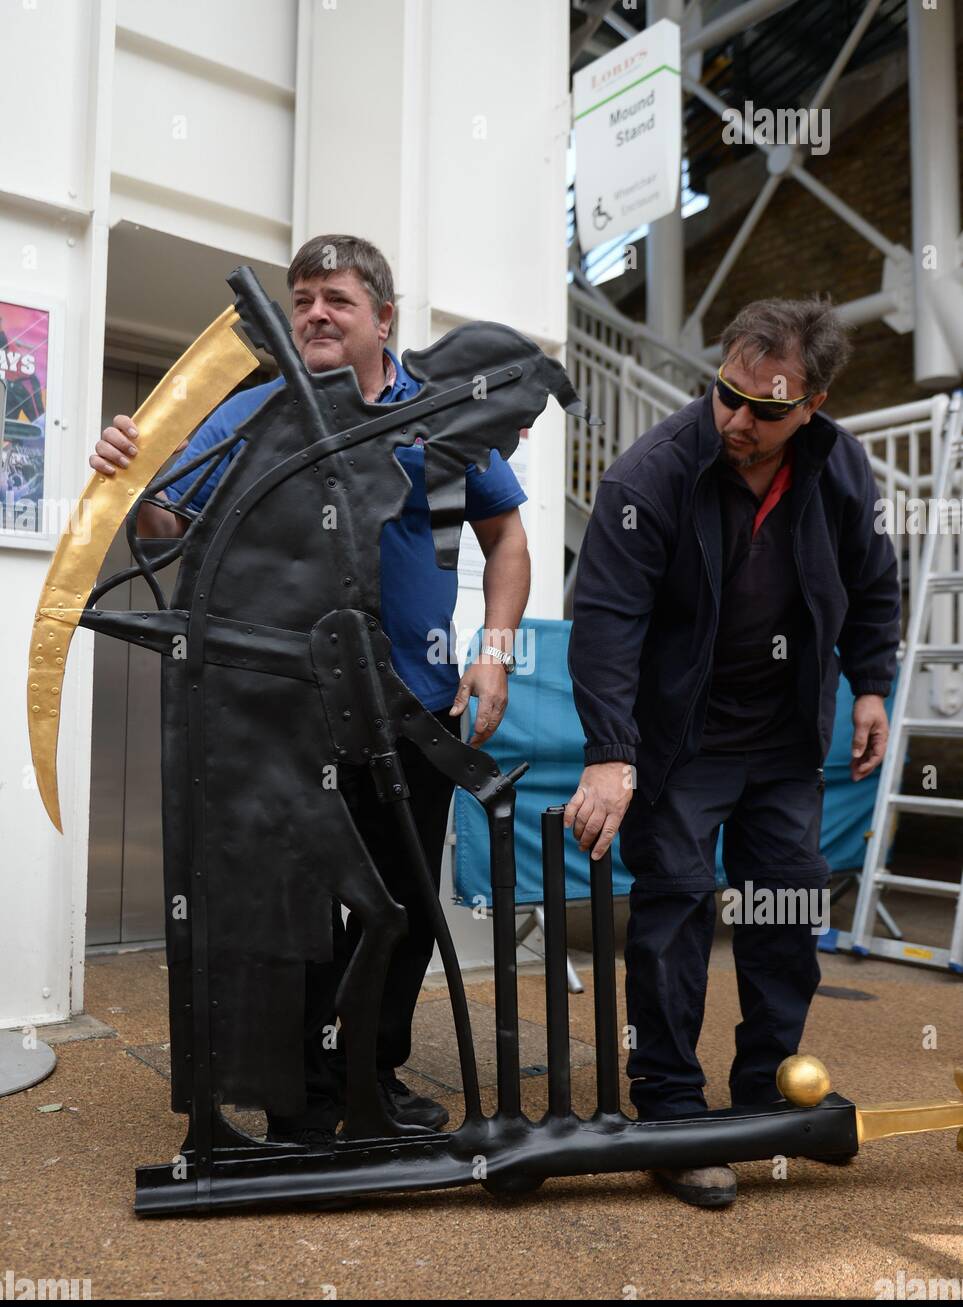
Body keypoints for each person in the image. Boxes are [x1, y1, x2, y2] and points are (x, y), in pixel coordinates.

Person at [89, 234, 530, 1145]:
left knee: (402, 904)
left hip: (413, 704)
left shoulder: (444, 415)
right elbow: (171, 516)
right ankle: (304, 1092)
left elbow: (508, 539)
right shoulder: (254, 411)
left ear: (383, 319)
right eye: (302, 300)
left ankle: (371, 1072)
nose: (316, 314)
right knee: (293, 910)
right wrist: (136, 471)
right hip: (288, 710)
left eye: (336, 298)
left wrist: (492, 650)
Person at [565, 298, 900, 1209]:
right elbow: (605, 626)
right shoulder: (651, 476)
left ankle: (765, 1092)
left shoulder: (840, 470)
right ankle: (673, 1113)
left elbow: (873, 577)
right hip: (680, 742)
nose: (737, 420)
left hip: (785, 735)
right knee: (673, 914)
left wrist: (868, 682)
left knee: (785, 908)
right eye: (726, 395)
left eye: (766, 408)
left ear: (814, 404)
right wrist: (611, 754)